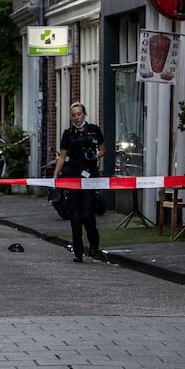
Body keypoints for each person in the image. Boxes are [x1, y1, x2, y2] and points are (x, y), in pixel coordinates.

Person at [52, 102, 105, 263]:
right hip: (73, 175)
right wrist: (55, 176)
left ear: (84, 114)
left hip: (89, 176)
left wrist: (96, 156)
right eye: (73, 115)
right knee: (74, 216)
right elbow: (62, 156)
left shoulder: (94, 130)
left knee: (87, 214)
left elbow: (102, 149)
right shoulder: (68, 134)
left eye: (79, 114)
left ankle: (94, 243)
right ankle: (78, 251)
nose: (76, 118)